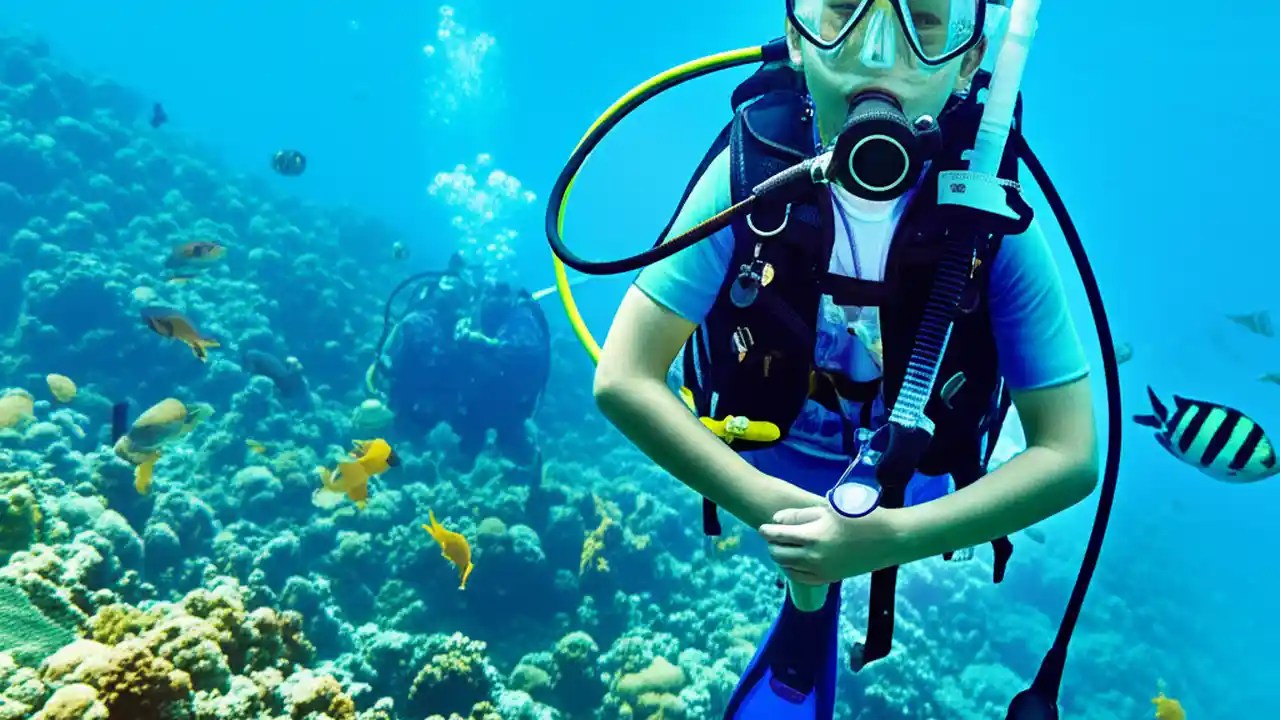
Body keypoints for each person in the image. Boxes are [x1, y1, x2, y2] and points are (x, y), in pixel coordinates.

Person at [590, 1, 1100, 718]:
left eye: (924, 23)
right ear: (798, 38)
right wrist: (783, 518)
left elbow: (1072, 454)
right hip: (765, 469)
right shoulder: (747, 178)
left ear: (966, 61)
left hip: (914, 491)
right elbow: (622, 379)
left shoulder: (991, 216)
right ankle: (809, 601)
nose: (875, 52)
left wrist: (887, 538)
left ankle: (812, 594)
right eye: (840, 11)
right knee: (816, 563)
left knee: (838, 549)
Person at [378, 255, 551, 476]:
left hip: (449, 403)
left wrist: (479, 346)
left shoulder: (429, 321)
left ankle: (486, 459)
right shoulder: (424, 325)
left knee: (482, 430)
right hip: (425, 402)